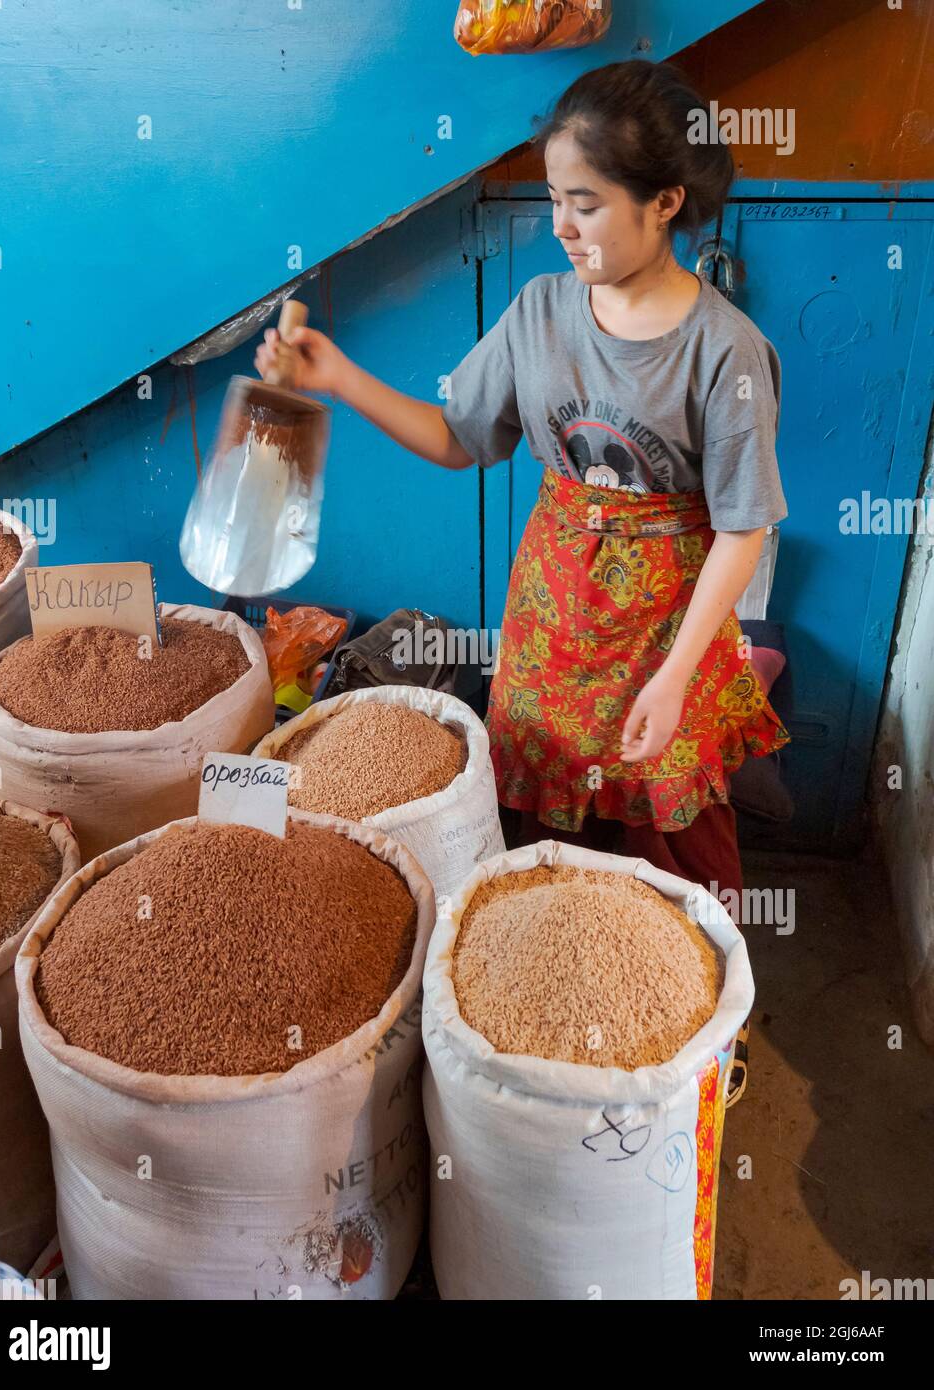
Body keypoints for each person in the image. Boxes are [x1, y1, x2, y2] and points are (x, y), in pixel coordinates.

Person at [256, 60, 790, 1100]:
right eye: (554, 200)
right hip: (554, 615)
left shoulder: (725, 351)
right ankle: (555, 1041)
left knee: (673, 830)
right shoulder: (543, 312)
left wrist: (678, 677)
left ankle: (702, 1050)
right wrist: (339, 378)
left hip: (666, 624)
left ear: (665, 202)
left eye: (586, 204)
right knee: (538, 821)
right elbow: (461, 438)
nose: (561, 226)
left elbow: (742, 532)